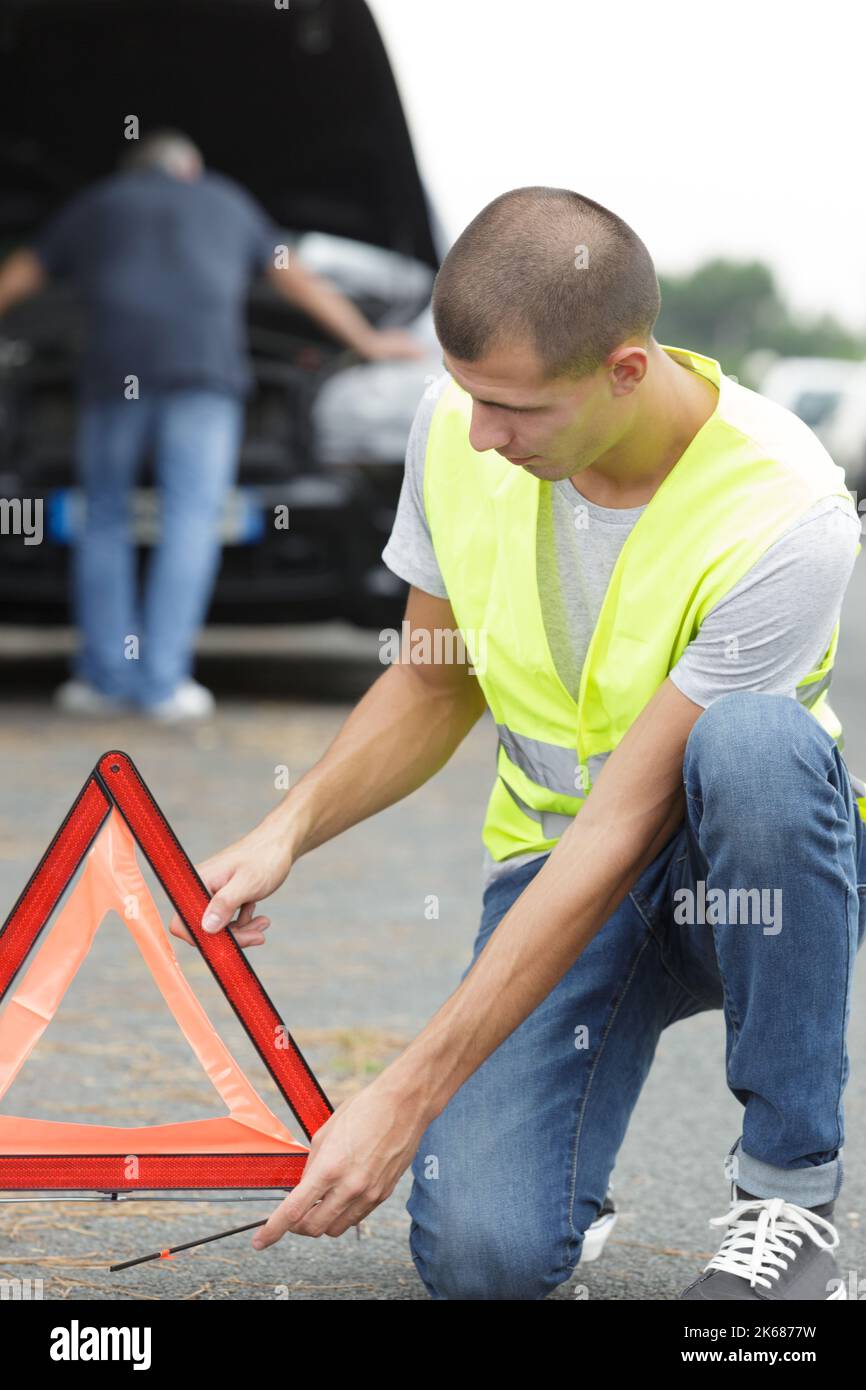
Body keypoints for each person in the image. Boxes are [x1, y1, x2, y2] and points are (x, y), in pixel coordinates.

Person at [167, 187, 866, 1300]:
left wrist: (399, 1095)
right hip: (556, 867)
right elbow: (432, 684)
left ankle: (788, 1198)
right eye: (465, 394)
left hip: (737, 866)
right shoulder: (457, 426)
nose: (480, 434)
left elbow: (623, 826)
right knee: (482, 1261)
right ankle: (558, 1175)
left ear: (625, 371)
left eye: (513, 408)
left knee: (753, 747)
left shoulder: (785, 512)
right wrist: (286, 828)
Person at [0, 130, 422, 721]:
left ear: (134, 170)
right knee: (191, 521)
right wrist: (368, 340)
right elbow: (294, 276)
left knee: (104, 518)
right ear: (189, 169)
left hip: (113, 378)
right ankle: (163, 684)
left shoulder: (98, 204)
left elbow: (21, 272)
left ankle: (102, 679)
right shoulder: (225, 200)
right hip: (201, 379)